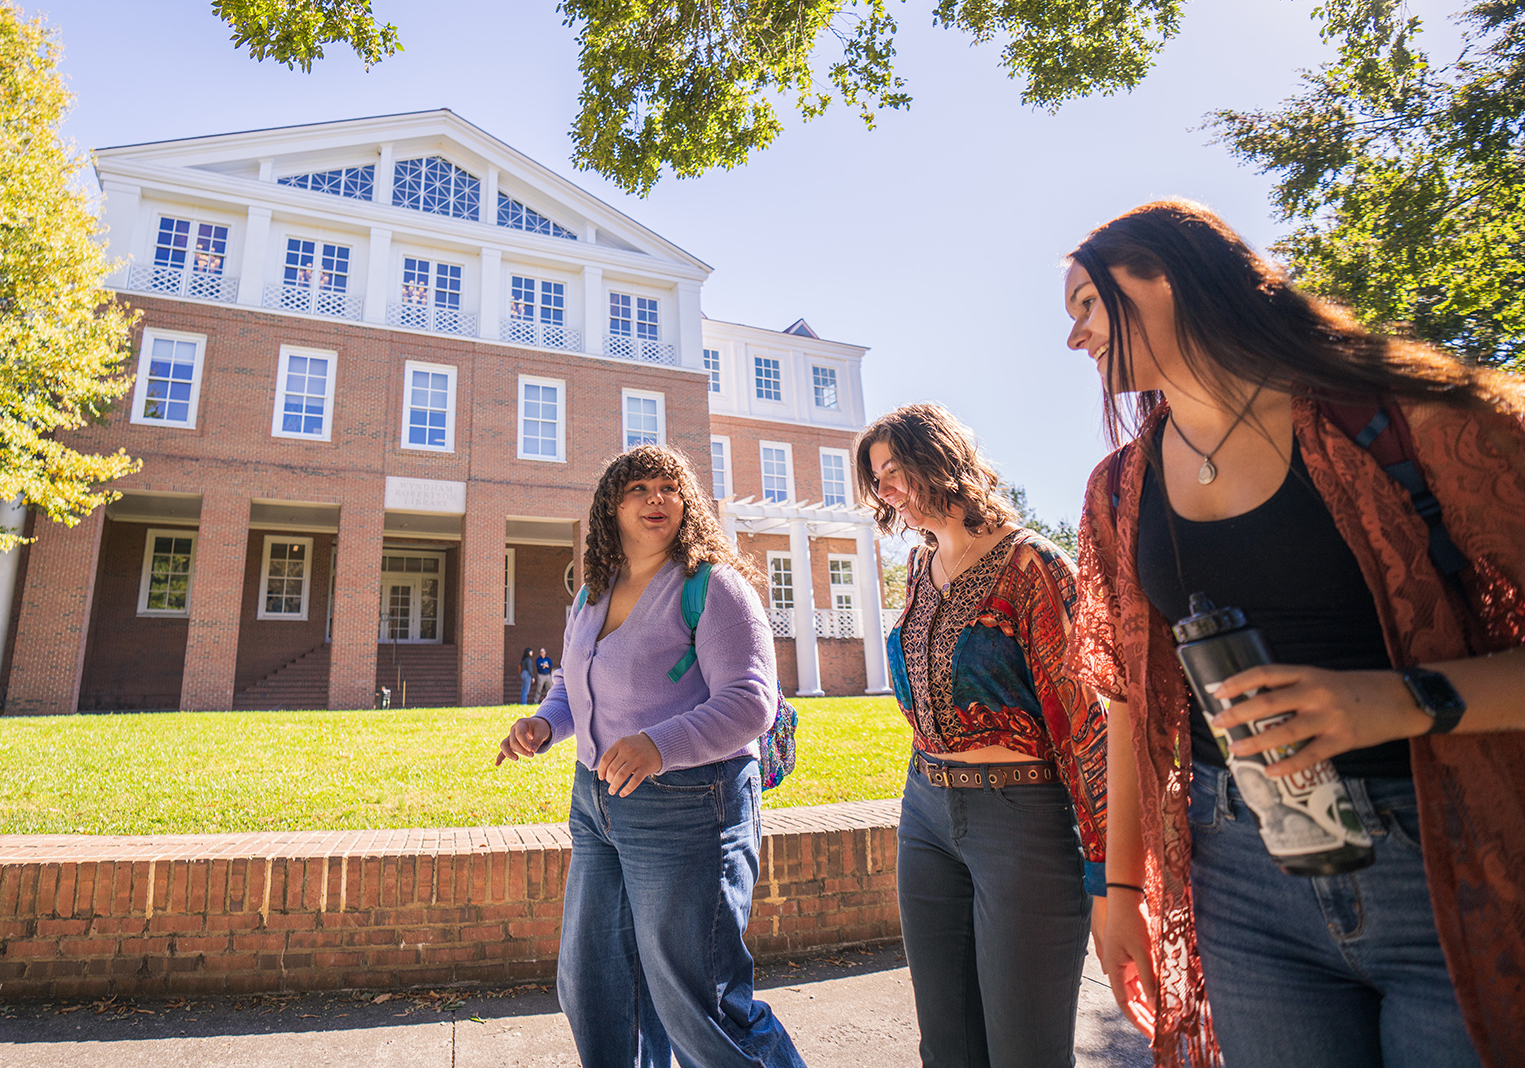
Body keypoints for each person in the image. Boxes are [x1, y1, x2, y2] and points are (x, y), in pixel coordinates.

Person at [1063, 198, 1525, 1068]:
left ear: (1165, 274)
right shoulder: (1117, 489)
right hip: (1239, 876)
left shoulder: (1407, 420)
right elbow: (1127, 699)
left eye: (1088, 303)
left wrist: (1400, 702)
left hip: (1445, 863)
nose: (1077, 336)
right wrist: (1120, 888)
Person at [493, 444, 806, 1068]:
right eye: (638, 488)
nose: (655, 498)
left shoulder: (713, 587)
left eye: (669, 487)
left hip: (691, 805)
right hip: (596, 804)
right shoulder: (591, 594)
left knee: (699, 1002)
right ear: (611, 506)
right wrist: (542, 726)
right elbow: (571, 688)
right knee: (594, 985)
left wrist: (658, 745)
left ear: (687, 501)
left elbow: (750, 703)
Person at [853, 403, 1109, 1067]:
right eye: (876, 480)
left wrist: (1111, 866)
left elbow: (1086, 721)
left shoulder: (1034, 566)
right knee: (947, 1046)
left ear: (937, 460)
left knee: (1025, 1051)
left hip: (1022, 820)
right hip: (925, 813)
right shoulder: (918, 568)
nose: (885, 491)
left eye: (893, 470)